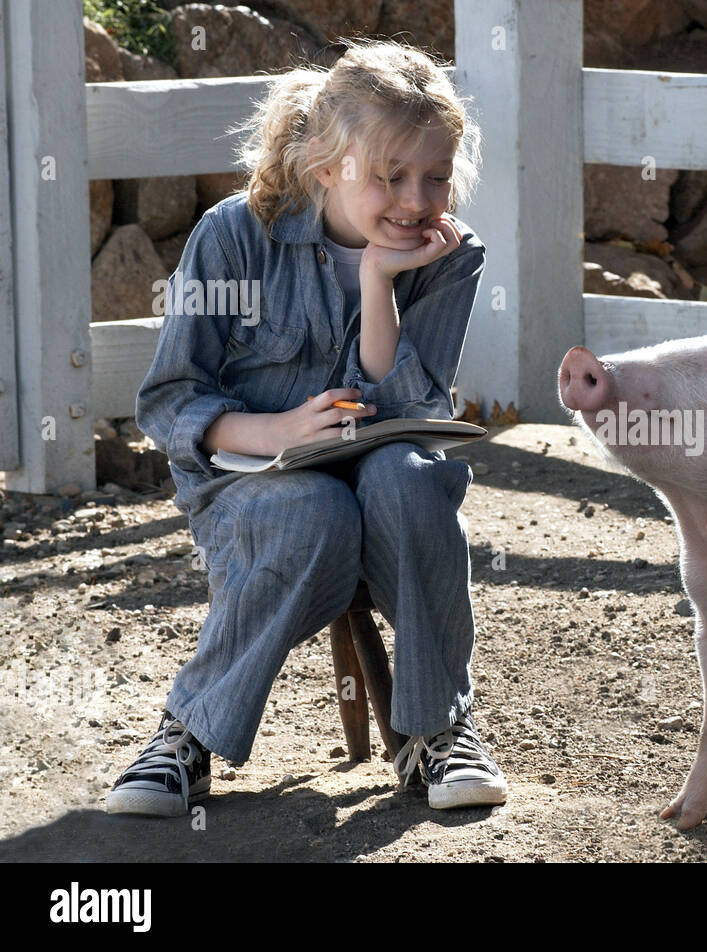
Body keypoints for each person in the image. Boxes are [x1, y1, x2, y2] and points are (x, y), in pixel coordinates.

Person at [107, 40, 506, 817]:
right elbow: (170, 399)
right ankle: (184, 737)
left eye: (436, 174)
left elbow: (416, 406)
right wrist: (282, 430)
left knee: (412, 478)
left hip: (385, 488)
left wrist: (379, 281)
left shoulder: (449, 257)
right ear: (326, 168)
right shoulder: (234, 237)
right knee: (312, 511)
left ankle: (438, 732)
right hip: (253, 489)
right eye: (391, 177)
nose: (417, 199)